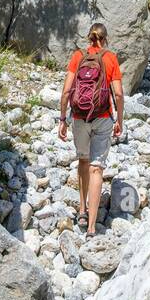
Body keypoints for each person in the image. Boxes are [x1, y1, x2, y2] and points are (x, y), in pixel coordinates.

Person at [58, 22, 124, 237]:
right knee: (97, 168)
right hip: (103, 118)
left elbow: (67, 91)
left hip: (79, 117)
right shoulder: (110, 58)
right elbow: (120, 94)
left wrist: (62, 119)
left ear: (89, 38)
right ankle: (93, 227)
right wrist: (119, 120)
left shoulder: (78, 56)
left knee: (83, 162)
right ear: (105, 39)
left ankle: (82, 210)